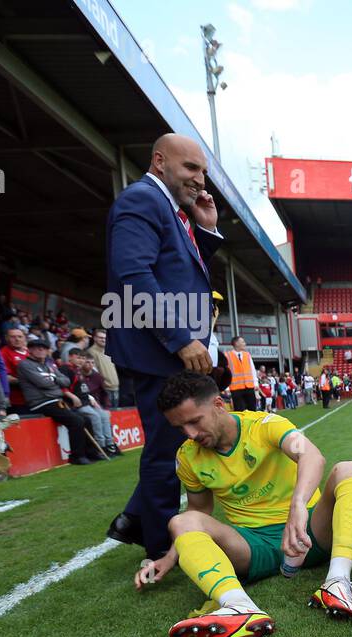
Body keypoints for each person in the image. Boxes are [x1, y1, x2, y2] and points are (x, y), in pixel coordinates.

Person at [134, 371, 352, 637]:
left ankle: (337, 581)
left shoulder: (265, 425)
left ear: (219, 405)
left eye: (195, 421)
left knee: (348, 469)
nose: (191, 434)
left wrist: (298, 506)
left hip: (309, 534)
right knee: (181, 520)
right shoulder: (187, 457)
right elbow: (199, 513)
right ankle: (238, 606)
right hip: (252, 546)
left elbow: (311, 455)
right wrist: (170, 556)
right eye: (180, 428)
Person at [105, 133, 223, 560]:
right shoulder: (142, 200)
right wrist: (180, 338)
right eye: (191, 167)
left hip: (168, 349)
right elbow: (133, 275)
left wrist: (206, 229)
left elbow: (181, 269)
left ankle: (134, 519)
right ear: (159, 161)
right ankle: (158, 547)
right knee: (166, 450)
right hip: (159, 349)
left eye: (203, 171)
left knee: (173, 443)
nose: (199, 179)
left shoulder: (174, 210)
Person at [16, 337, 99, 465]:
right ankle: (77, 456)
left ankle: (91, 452)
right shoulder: (24, 364)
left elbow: (66, 381)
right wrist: (55, 381)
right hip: (41, 402)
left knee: (86, 419)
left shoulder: (49, 364)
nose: (41, 350)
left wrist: (52, 379)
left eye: (44, 348)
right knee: (76, 420)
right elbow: (42, 383)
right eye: (37, 348)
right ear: (30, 350)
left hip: (56, 400)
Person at [65, 350, 119, 457]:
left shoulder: (83, 372)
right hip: (77, 404)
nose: (81, 361)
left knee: (103, 415)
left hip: (88, 402)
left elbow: (98, 392)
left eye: (82, 358)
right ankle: (100, 446)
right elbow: (66, 388)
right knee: (95, 416)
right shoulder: (67, 370)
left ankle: (110, 445)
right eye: (79, 358)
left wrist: (95, 400)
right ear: (70, 357)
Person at [87, 328, 121, 407]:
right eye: (101, 338)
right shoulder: (91, 352)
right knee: (108, 413)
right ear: (94, 338)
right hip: (104, 389)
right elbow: (93, 372)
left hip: (115, 387)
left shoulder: (108, 351)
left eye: (105, 338)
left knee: (115, 414)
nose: (103, 340)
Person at [225, 336, 259, 411]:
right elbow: (226, 373)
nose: (245, 344)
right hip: (235, 389)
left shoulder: (247, 355)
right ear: (236, 343)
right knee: (239, 410)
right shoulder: (228, 356)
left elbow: (252, 370)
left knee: (252, 410)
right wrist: (227, 387)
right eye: (243, 342)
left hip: (249, 387)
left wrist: (256, 383)